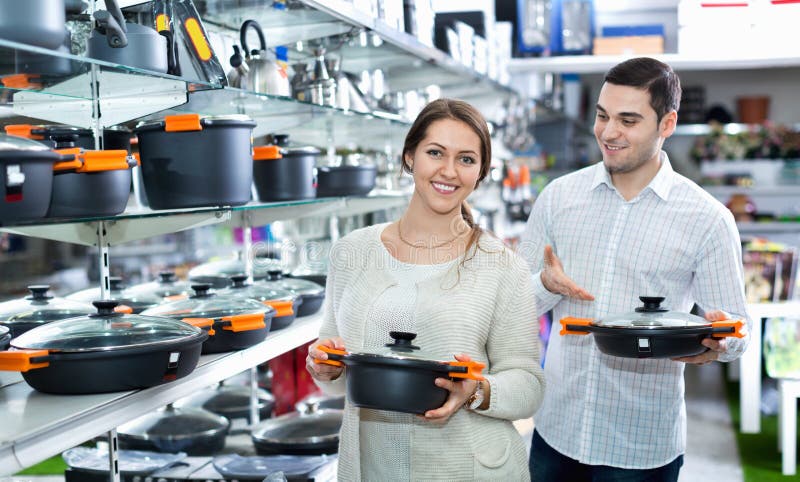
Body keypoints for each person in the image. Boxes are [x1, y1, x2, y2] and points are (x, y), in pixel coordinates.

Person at [518, 57, 750, 481]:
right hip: (556, 431)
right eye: (602, 115)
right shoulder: (558, 197)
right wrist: (546, 285)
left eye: (628, 120)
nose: (608, 132)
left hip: (640, 447)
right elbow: (511, 303)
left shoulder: (707, 218)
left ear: (667, 124)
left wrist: (717, 340)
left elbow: (738, 332)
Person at [306, 98, 546, 481]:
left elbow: (528, 385)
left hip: (466, 469)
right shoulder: (351, 252)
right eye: (435, 153)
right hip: (369, 468)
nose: (449, 171)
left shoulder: (503, 266)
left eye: (466, 159)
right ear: (409, 156)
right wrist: (322, 363)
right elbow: (332, 367)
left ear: (481, 171)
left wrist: (478, 389)